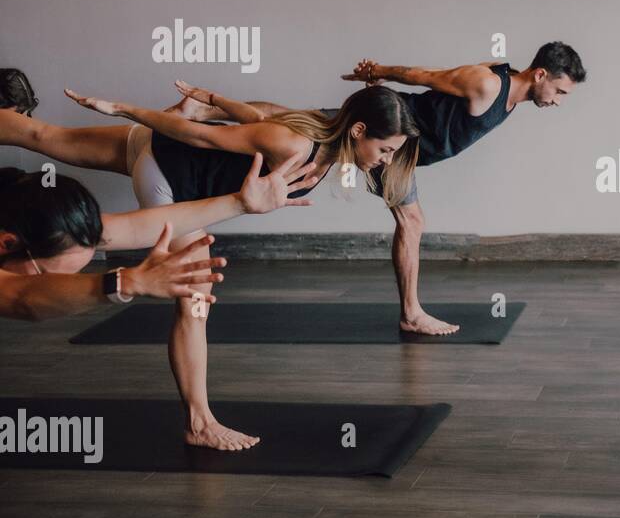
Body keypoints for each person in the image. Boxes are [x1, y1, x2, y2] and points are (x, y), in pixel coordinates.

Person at [0, 81, 418, 449]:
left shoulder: (316, 130)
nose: (385, 160)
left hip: (153, 147)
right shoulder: (297, 144)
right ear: (359, 131)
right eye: (385, 150)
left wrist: (211, 102)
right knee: (195, 299)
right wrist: (126, 109)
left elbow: (258, 113)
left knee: (45, 135)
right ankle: (199, 423)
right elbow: (202, 138)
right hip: (171, 176)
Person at [164, 41, 586, 335]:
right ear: (541, 73)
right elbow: (426, 76)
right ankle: (412, 313)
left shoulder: (511, 95)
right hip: (391, 140)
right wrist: (378, 72)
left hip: (398, 148)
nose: (559, 101)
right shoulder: (488, 83)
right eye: (560, 91)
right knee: (407, 215)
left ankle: (204, 108)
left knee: (294, 121)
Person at [0, 156, 316, 321]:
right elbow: (21, 297)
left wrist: (240, 203)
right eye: (49, 277)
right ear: (8, 243)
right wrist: (127, 282)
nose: (58, 288)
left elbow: (143, 226)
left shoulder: (47, 224)